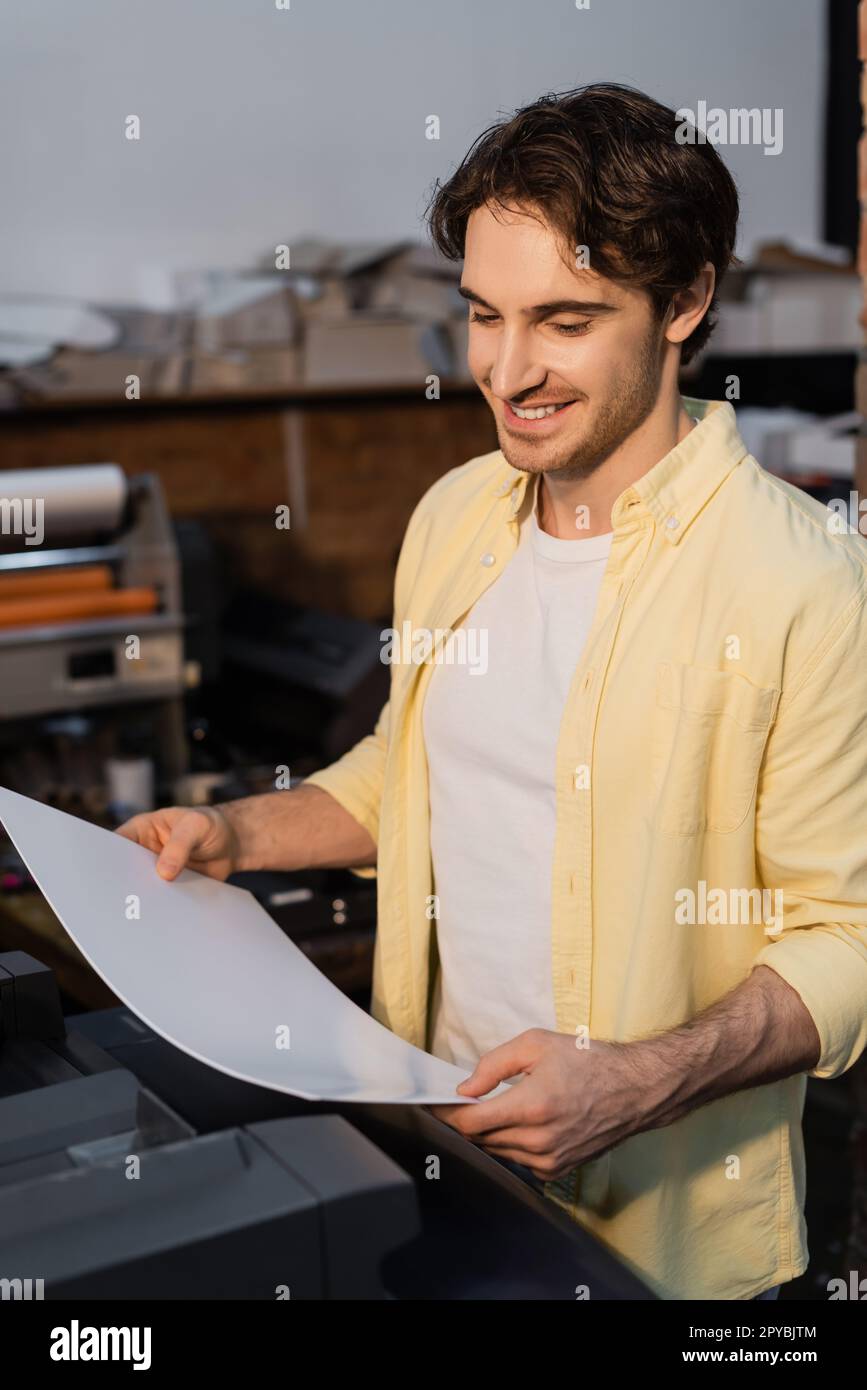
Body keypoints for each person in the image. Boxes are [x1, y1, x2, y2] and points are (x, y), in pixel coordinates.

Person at [117, 83, 867, 1301]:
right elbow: (412, 765)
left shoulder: (807, 584)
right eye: (482, 317)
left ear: (685, 304)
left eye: (564, 322)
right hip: (443, 1152)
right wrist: (237, 831)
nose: (507, 372)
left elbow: (849, 935)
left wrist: (634, 1081)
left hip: (668, 1237)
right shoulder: (456, 515)